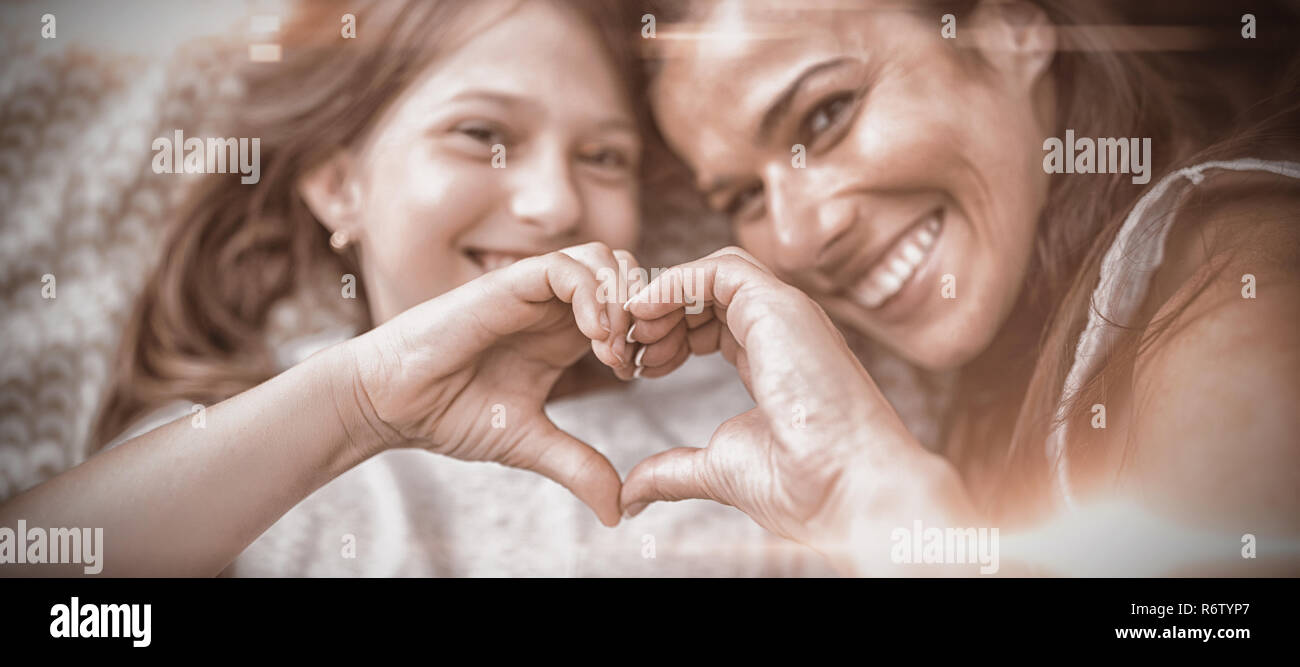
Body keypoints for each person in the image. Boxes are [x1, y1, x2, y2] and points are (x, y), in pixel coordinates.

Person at [0, 0, 827, 577]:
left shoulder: (738, 412)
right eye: (483, 135)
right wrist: (356, 406)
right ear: (339, 185)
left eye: (603, 156)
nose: (556, 203)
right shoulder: (244, 441)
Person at [615, 0, 1300, 575]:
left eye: (826, 115)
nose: (796, 240)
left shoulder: (1233, 310)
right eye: (743, 197)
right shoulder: (988, 362)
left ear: (1011, 31)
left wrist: (874, 498)